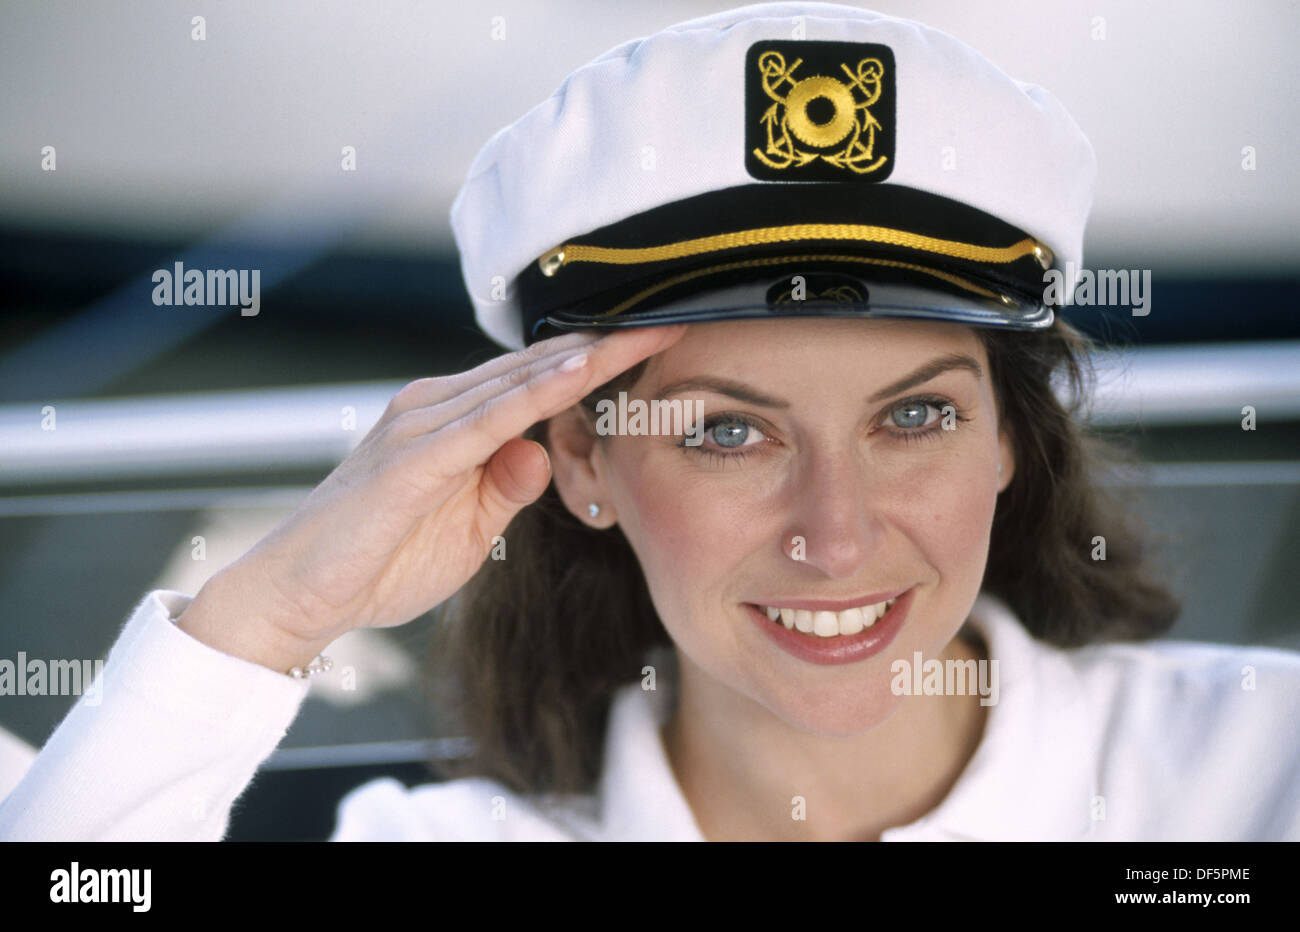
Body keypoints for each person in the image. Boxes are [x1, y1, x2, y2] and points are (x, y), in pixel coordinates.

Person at [3, 1, 1299, 842]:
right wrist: (273, 615)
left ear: (1010, 439)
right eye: (728, 433)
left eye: (913, 418)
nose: (837, 538)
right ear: (582, 458)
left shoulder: (1249, 775)